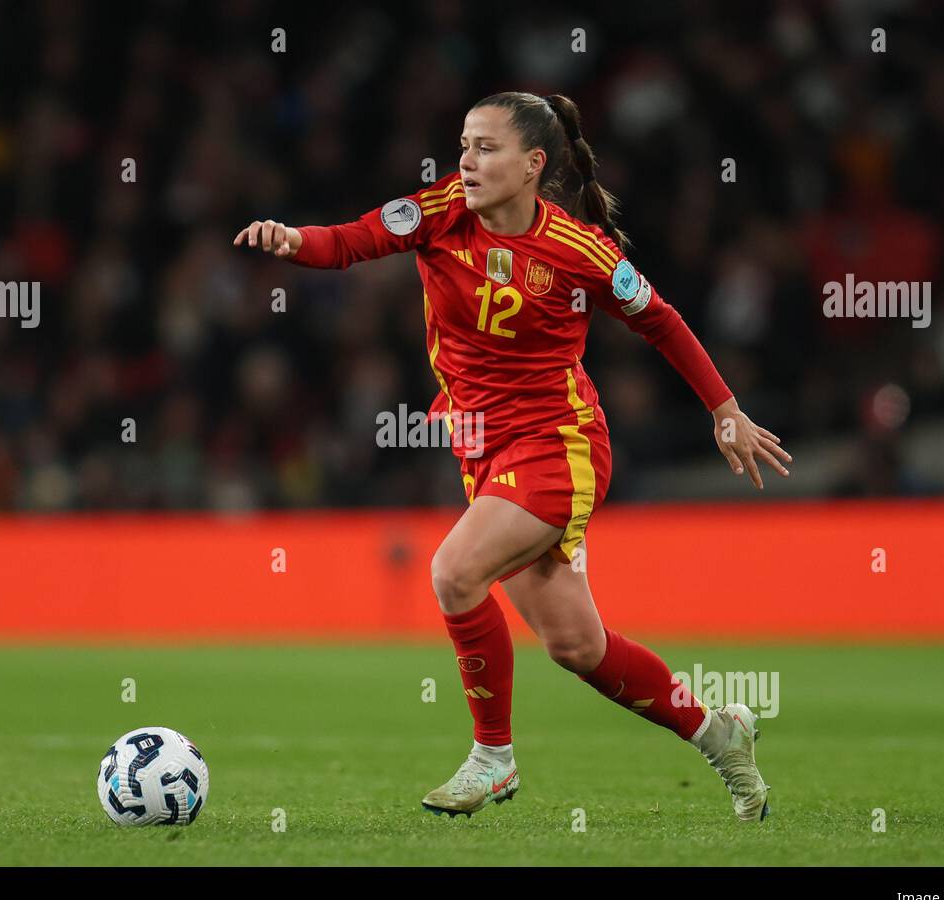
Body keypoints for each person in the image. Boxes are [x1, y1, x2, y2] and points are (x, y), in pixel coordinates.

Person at [233, 91, 792, 822]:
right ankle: (720, 733)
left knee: (453, 572)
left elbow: (660, 321)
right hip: (483, 448)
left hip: (558, 441)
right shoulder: (437, 212)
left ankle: (492, 759)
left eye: (486, 147)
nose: (467, 159)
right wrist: (291, 238)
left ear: (534, 166)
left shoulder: (578, 248)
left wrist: (725, 410)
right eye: (464, 143)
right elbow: (348, 242)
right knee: (576, 645)